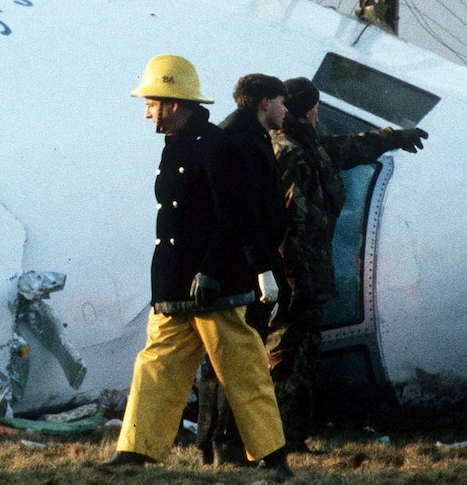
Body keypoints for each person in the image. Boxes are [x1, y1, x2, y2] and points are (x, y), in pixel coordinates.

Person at [103, 55, 292, 481]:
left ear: (172, 103)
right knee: (155, 366)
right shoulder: (180, 145)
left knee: (242, 370)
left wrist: (210, 271)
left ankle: (273, 458)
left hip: (213, 286)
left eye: (150, 102)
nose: (146, 110)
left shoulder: (217, 145)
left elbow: (235, 216)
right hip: (175, 286)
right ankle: (136, 451)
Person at [268, 77, 428, 452]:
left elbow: (348, 148)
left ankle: (291, 436)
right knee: (284, 355)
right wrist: (294, 277)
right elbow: (292, 222)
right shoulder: (289, 152)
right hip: (295, 275)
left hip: (308, 274)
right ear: (308, 110)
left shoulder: (308, 147)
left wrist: (394, 137)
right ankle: (273, 437)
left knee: (303, 356)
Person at [196, 73, 288, 467]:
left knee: (230, 363)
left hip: (247, 262)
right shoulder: (239, 140)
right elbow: (241, 213)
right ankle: (227, 447)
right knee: (236, 363)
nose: (286, 110)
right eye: (281, 102)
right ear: (264, 102)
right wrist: (263, 269)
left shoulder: (245, 136)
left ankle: (225, 447)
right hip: (244, 267)